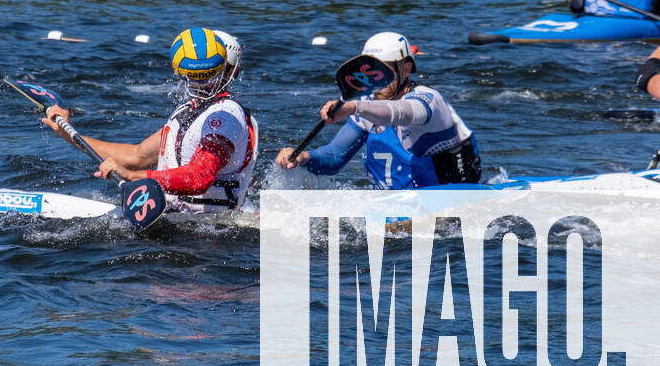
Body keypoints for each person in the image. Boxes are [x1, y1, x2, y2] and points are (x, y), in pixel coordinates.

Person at [43, 27, 258, 212]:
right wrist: (69, 134)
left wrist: (131, 176)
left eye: (208, 71)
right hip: (173, 216)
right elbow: (136, 156)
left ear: (229, 69)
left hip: (208, 232)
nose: (198, 79)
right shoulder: (188, 111)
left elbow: (199, 177)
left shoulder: (225, 117)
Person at [275, 32, 481, 189]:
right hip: (394, 207)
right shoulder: (366, 106)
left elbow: (401, 112)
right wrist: (304, 157)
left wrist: (353, 107)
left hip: (448, 199)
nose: (377, 79)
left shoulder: (428, 99)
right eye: (372, 70)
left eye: (384, 70)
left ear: (406, 69)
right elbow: (335, 157)